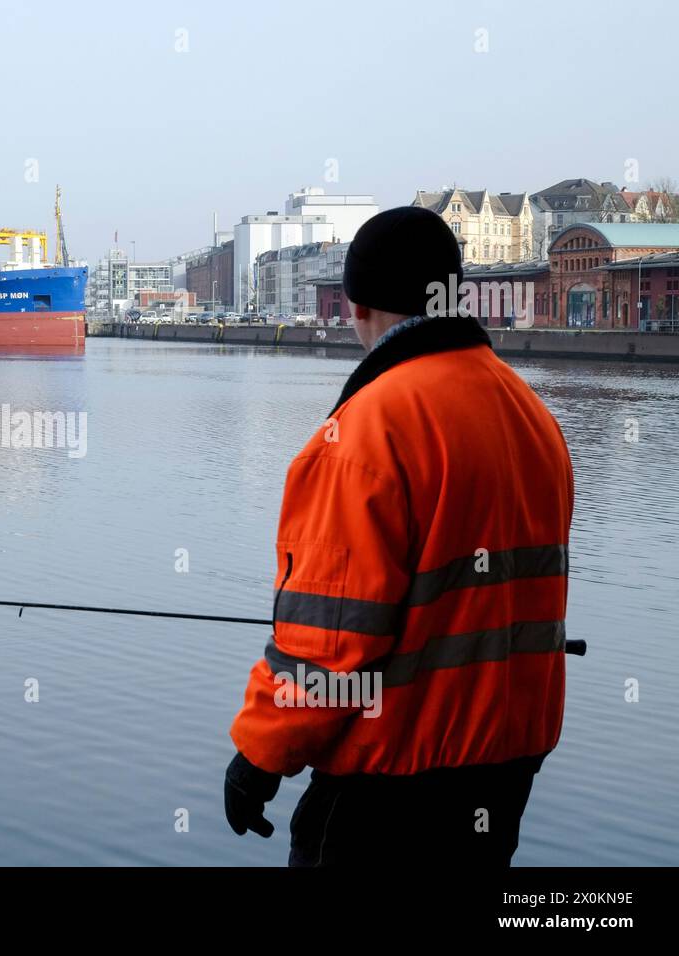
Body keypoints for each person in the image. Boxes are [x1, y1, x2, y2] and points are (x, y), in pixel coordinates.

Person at [224, 206, 574, 866]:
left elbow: (331, 640)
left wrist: (260, 754)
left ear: (355, 307)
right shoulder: (533, 418)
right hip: (503, 775)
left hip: (388, 793)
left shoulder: (364, 435)